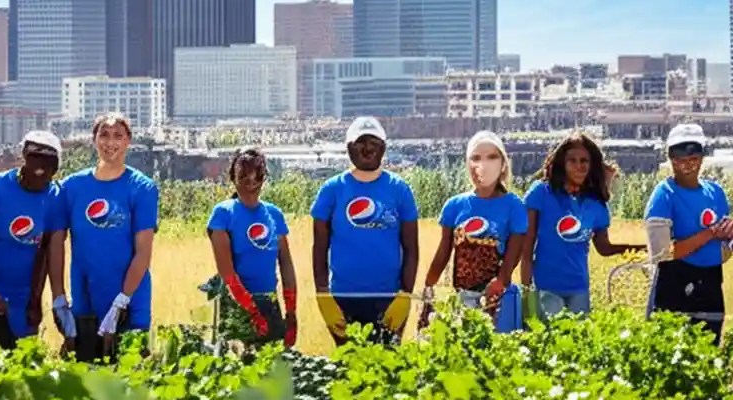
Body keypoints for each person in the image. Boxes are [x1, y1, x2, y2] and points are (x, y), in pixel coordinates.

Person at [644, 123, 733, 344]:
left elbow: (722, 249)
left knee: (709, 353)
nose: (687, 162)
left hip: (711, 283)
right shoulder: (663, 195)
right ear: (671, 158)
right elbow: (662, 254)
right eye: (679, 155)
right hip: (674, 283)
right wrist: (710, 234)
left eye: (693, 154)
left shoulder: (716, 193)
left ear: (702, 156)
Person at [48, 113, 159, 361]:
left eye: (118, 136)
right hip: (86, 299)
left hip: (131, 300)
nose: (111, 142)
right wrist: (58, 297)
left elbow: (143, 252)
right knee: (88, 378)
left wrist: (122, 301)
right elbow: (56, 242)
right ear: (94, 139)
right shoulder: (71, 187)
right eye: (104, 135)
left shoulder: (142, 187)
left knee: (133, 376)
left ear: (128, 141)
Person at [312, 116, 419, 345]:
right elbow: (319, 248)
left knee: (389, 371)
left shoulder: (399, 190)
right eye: (360, 142)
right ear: (348, 148)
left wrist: (405, 294)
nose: (368, 148)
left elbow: (411, 249)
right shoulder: (331, 190)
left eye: (374, 142)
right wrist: (323, 295)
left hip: (389, 298)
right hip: (343, 298)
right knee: (348, 370)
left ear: (384, 147)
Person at [520, 131, 641, 321]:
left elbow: (604, 247)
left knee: (578, 344)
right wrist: (527, 295)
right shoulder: (541, 193)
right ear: (562, 163)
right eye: (572, 161)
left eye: (584, 161)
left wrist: (642, 249)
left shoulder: (595, 204)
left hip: (579, 290)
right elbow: (526, 251)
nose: (579, 166)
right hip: (547, 288)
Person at [0, 130, 64, 348]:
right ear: (22, 159)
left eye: (48, 165)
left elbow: (44, 251)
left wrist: (35, 301)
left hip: (24, 297)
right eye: (34, 159)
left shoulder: (54, 197)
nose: (40, 170)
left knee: (23, 363)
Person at [419, 131, 528, 333]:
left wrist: (500, 282)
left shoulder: (514, 205)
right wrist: (428, 286)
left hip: (498, 295)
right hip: (464, 296)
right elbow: (444, 251)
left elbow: (515, 253)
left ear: (503, 164)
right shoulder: (454, 206)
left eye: (492, 157)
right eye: (475, 158)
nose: (483, 165)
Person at [207, 148, 298, 348]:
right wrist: (251, 310)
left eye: (257, 176)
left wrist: (291, 312)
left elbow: (286, 265)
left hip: (270, 302)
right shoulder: (223, 214)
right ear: (233, 178)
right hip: (237, 304)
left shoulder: (274, 214)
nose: (251, 183)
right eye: (244, 178)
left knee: (275, 372)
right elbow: (227, 273)